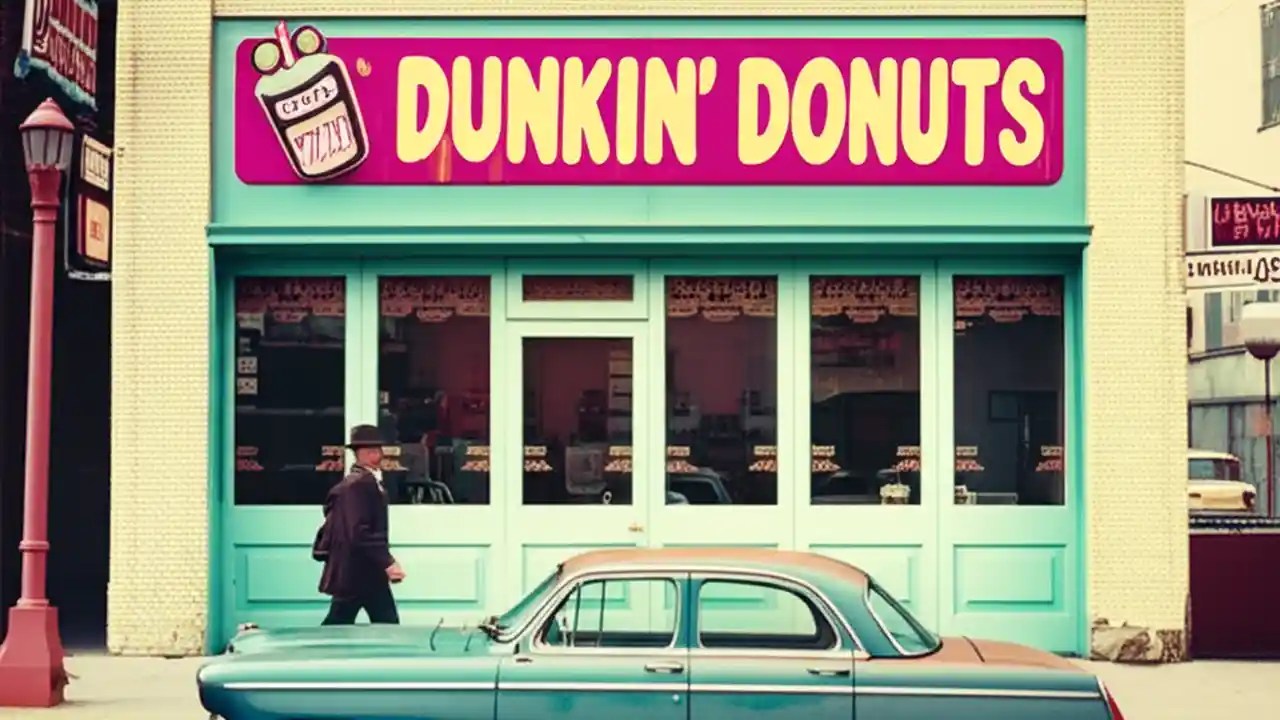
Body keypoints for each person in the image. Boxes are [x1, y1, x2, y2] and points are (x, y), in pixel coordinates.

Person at [315, 424, 406, 624]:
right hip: (357, 571)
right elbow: (359, 532)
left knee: (378, 621)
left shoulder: (366, 482)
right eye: (373, 451)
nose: (378, 455)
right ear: (361, 454)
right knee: (346, 621)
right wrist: (387, 562)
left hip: (363, 571)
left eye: (378, 450)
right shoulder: (357, 485)